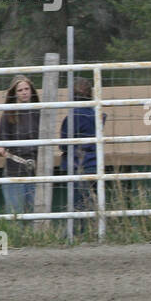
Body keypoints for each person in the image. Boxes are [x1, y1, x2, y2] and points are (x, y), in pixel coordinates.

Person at [0, 74, 40, 214]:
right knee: (15, 213)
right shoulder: (8, 114)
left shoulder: (39, 112)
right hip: (14, 168)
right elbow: (1, 141)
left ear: (31, 90)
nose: (24, 92)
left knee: (36, 213)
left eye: (27, 89)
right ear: (14, 93)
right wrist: (1, 148)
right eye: (20, 90)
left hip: (35, 170)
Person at [58, 77, 101, 213]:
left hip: (78, 165)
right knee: (91, 203)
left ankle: (78, 233)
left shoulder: (73, 116)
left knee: (78, 206)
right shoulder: (95, 114)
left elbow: (64, 144)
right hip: (94, 164)